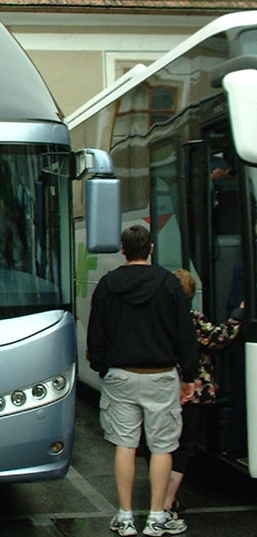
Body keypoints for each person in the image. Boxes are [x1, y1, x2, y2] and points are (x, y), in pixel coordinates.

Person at [87, 225, 198, 537]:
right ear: (150, 249)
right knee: (163, 447)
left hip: (120, 376)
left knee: (126, 445)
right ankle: (156, 518)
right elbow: (184, 334)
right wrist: (188, 375)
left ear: (123, 250)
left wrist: (101, 367)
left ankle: (124, 517)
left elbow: (97, 333)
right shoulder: (168, 284)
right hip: (161, 377)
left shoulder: (108, 285)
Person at [163, 269, 243, 516]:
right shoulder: (191, 318)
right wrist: (238, 313)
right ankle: (167, 501)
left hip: (163, 389)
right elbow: (220, 338)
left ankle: (163, 497)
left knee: (166, 443)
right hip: (191, 392)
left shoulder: (161, 318)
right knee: (185, 445)